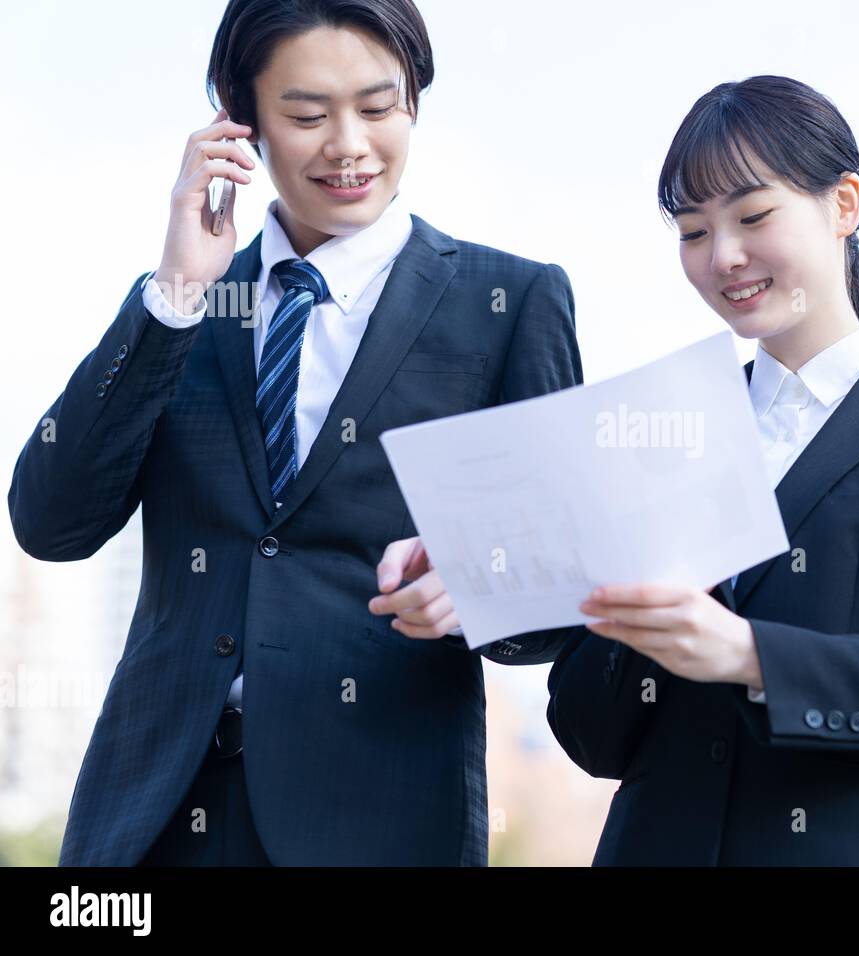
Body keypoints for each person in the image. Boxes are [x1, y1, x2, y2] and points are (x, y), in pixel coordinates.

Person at [8, 0, 581, 866]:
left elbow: (558, 595)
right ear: (238, 120)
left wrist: (477, 581)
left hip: (380, 822)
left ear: (415, 103)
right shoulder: (185, 305)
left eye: (378, 107)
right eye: (307, 115)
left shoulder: (508, 305)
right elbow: (50, 522)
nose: (348, 143)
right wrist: (172, 296)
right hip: (153, 820)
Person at [544, 75, 859, 865]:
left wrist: (751, 656)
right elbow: (587, 733)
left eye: (752, 216)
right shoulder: (657, 440)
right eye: (691, 231)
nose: (723, 257)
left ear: (843, 204)